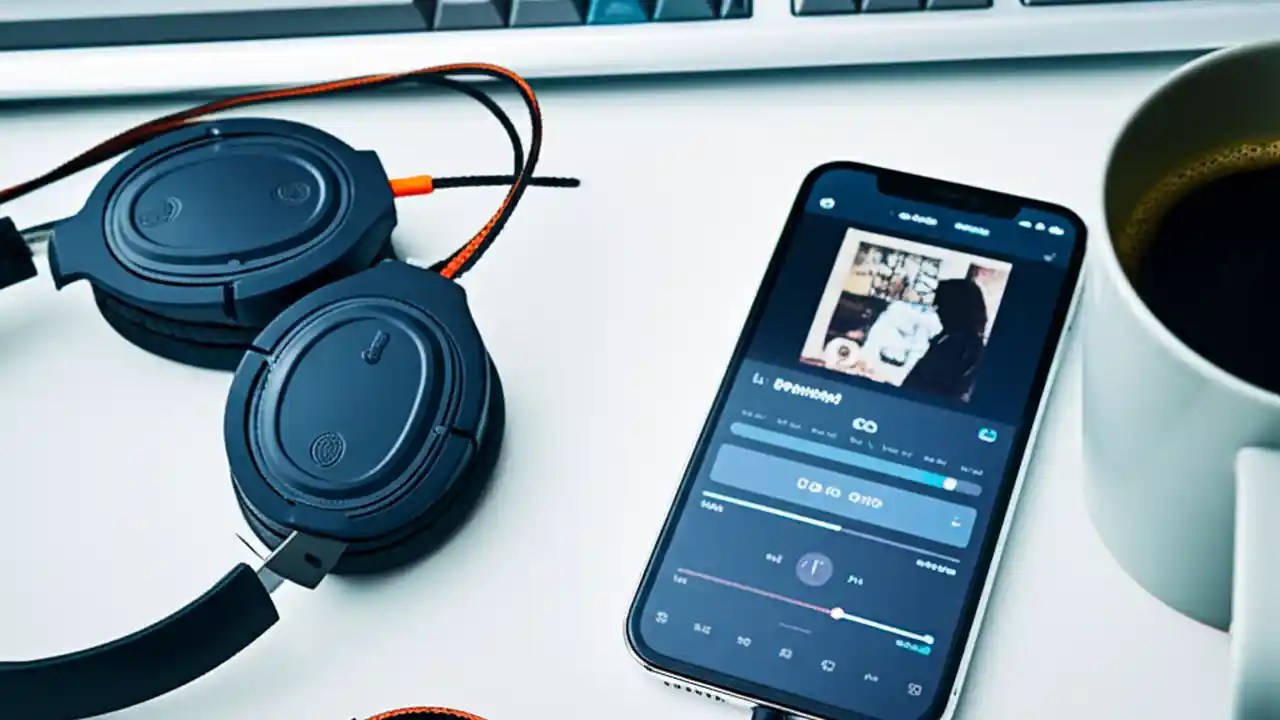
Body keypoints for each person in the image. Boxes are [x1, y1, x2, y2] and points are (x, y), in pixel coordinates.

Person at [901, 278, 988, 401]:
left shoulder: (969, 348)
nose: (937, 310)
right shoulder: (945, 337)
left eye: (941, 304)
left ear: (958, 308)